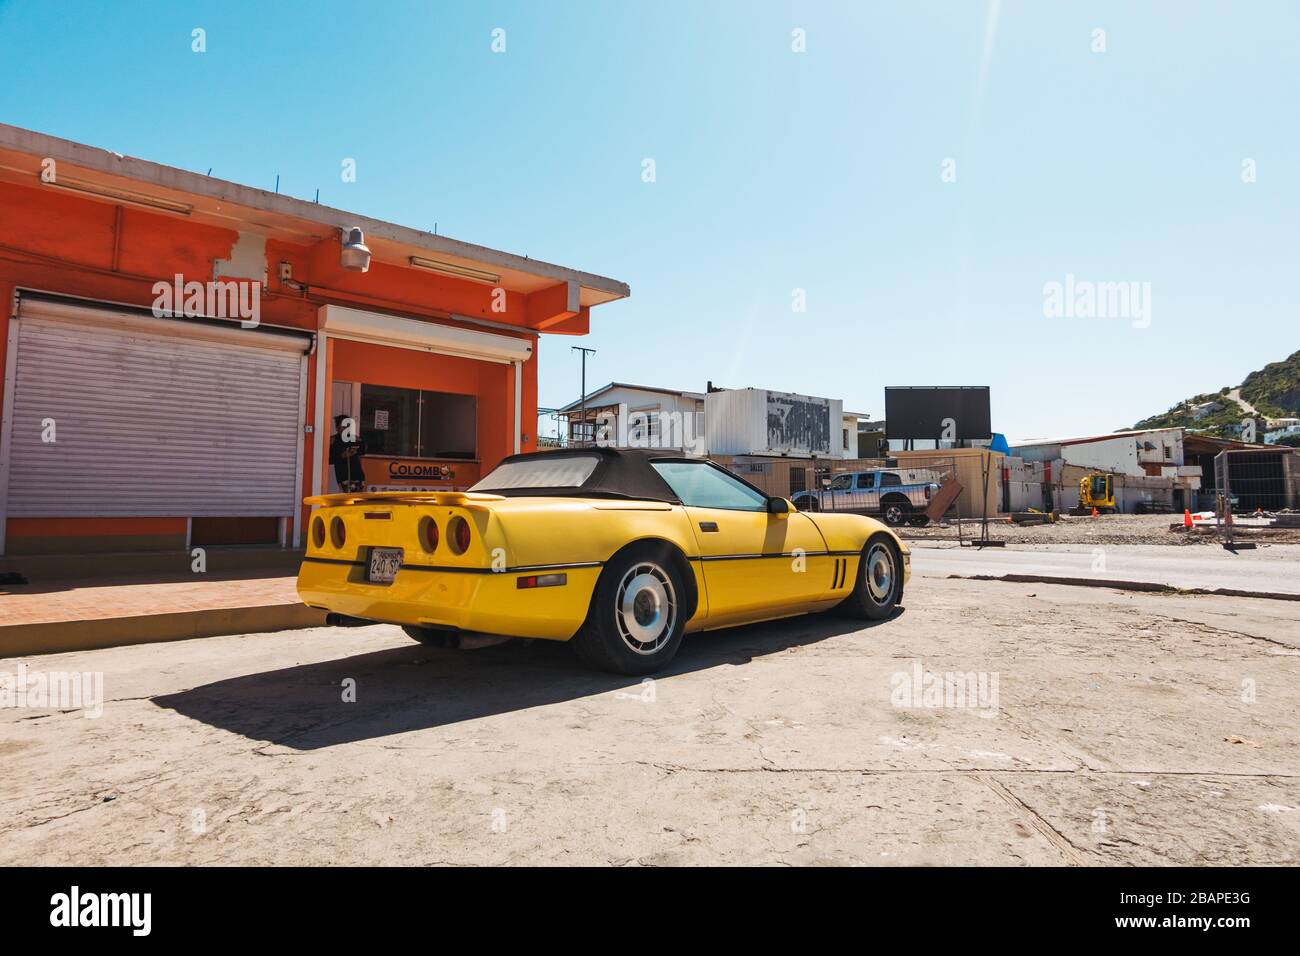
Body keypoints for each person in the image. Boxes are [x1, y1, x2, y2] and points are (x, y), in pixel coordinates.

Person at [329, 414, 368, 492]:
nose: (346, 429)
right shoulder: (333, 441)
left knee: (358, 499)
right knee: (348, 499)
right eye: (344, 427)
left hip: (357, 475)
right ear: (337, 428)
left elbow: (364, 451)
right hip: (344, 476)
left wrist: (360, 444)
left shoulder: (354, 439)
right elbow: (330, 460)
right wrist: (342, 455)